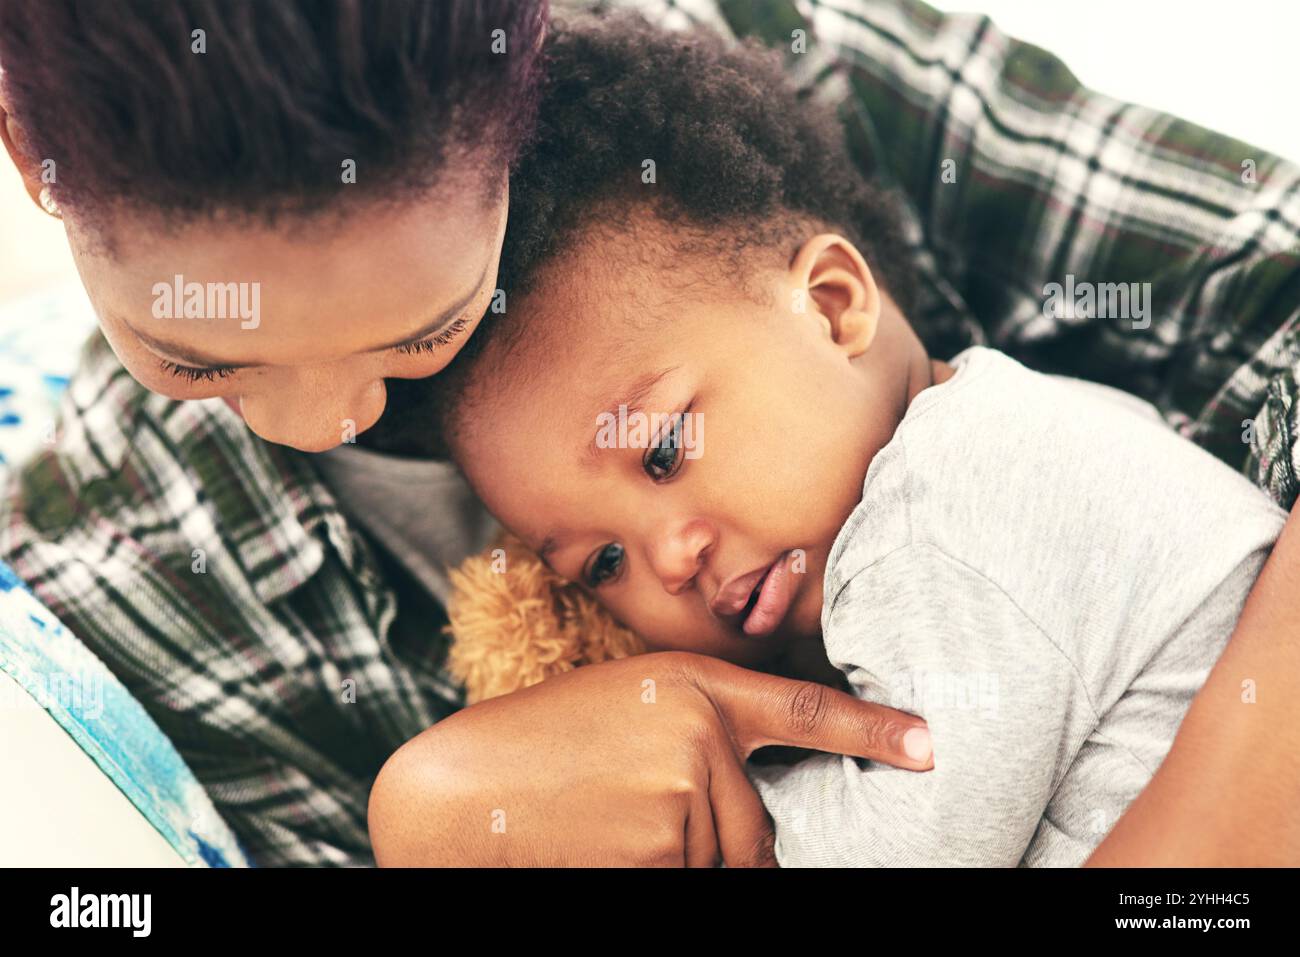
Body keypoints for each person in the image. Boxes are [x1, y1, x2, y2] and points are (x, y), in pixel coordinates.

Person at [0, 0, 1296, 866]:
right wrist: (422, 822)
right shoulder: (135, 589)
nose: (331, 415)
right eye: (199, 356)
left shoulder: (777, 76)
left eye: (423, 331)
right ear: (18, 144)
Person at [390, 15, 1287, 867]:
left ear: (829, 305)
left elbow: (914, 843)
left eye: (663, 450)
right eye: (604, 561)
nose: (670, 559)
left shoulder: (940, 515)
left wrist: (717, 822)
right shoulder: (1009, 424)